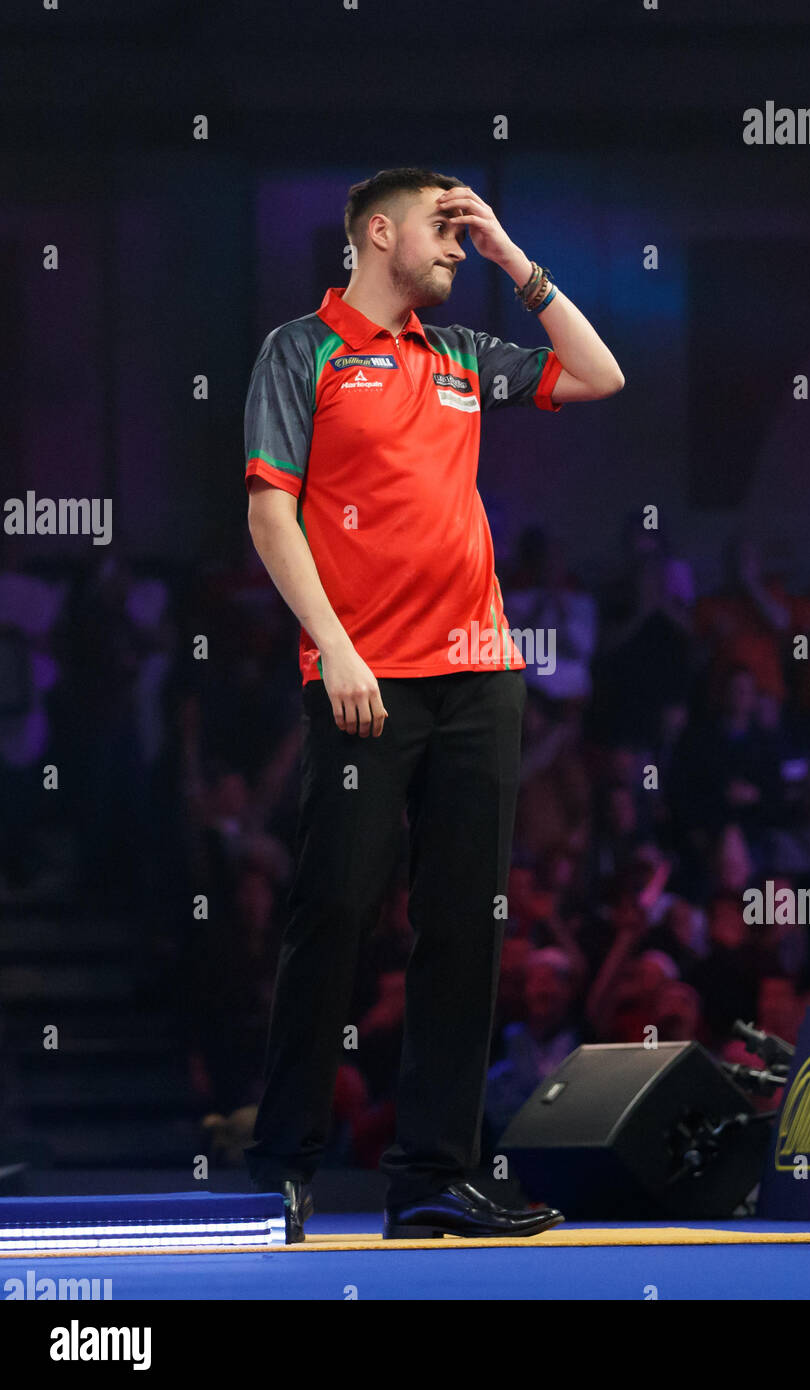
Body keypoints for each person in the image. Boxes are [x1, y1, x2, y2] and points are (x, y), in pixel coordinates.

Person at [241, 167, 624, 1241]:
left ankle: (432, 1178)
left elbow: (598, 376)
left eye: (468, 235)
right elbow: (274, 516)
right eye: (443, 230)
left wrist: (514, 256)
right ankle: (279, 1166)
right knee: (334, 912)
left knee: (464, 926)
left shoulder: (459, 355)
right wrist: (335, 649)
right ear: (374, 232)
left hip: (478, 676)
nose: (457, 248)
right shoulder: (299, 351)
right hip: (364, 681)